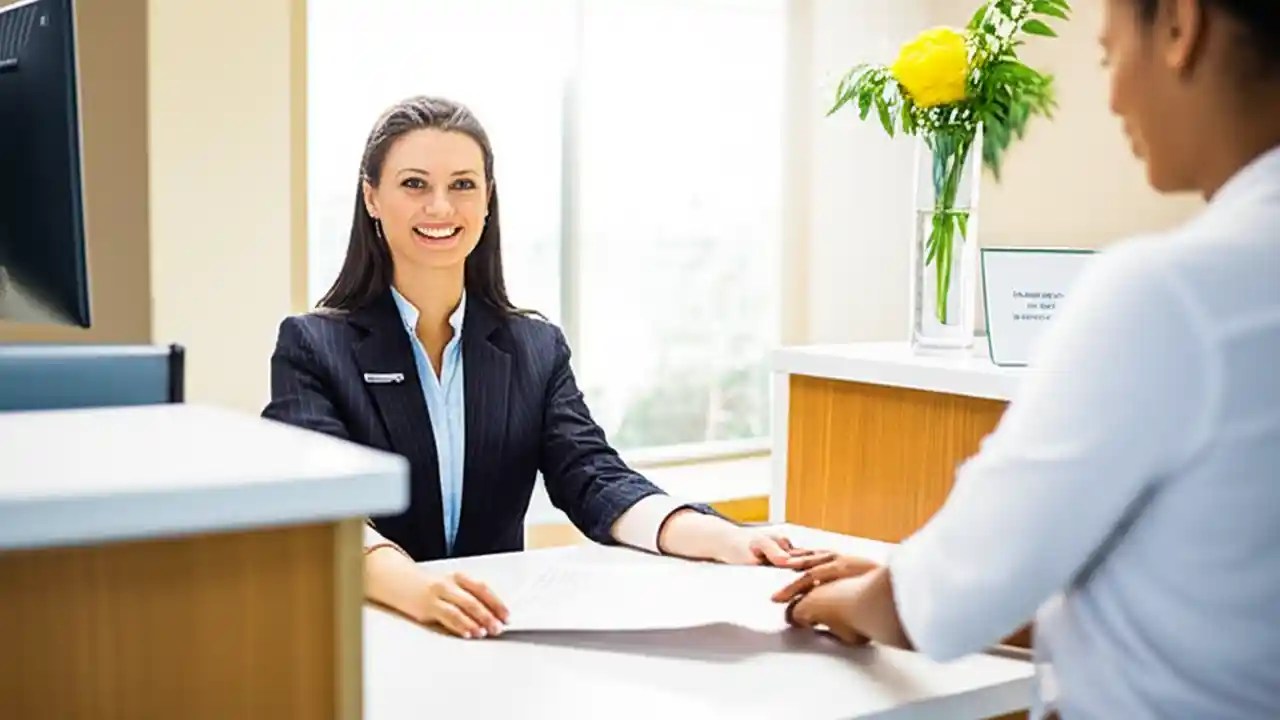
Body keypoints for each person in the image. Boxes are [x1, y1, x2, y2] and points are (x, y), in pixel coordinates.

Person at [772, 0, 1280, 717]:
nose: (1111, 97)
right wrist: (898, 576)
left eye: (1107, 57)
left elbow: (947, 600)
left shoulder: (1173, 293)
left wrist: (846, 604)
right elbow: (1207, 610)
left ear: (1178, 26)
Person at [264, 96, 822, 640]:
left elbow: (592, 476)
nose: (441, 207)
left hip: (499, 633)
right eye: (415, 184)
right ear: (372, 198)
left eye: (463, 185)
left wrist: (727, 540)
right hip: (374, 630)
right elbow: (320, 512)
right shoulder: (312, 346)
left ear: (487, 200)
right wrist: (417, 589)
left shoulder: (534, 347)